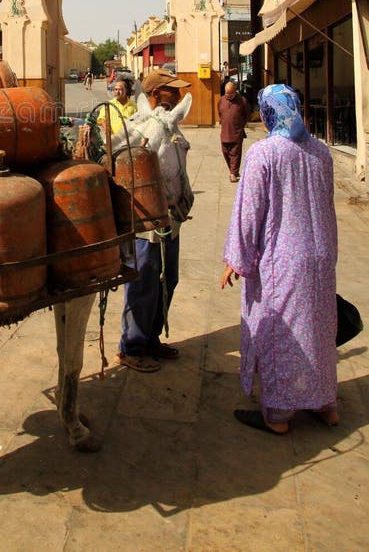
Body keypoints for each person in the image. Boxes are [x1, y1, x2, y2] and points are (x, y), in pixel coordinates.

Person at [221, 84, 339, 435]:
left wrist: (236, 259)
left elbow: (249, 213)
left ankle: (278, 414)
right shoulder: (321, 152)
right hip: (320, 257)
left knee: (281, 333)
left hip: (282, 261)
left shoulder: (264, 154)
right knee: (317, 332)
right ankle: (324, 404)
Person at [116, 70, 192, 373]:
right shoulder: (146, 127)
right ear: (157, 94)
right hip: (146, 224)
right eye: (171, 90)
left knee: (168, 279)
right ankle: (131, 347)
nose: (176, 95)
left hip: (171, 220)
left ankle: (151, 337)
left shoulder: (169, 124)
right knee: (143, 283)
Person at [217, 81, 249, 182]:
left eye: (231, 94)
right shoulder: (221, 100)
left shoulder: (242, 101)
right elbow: (220, 114)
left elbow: (246, 115)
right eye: (227, 94)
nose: (229, 96)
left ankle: (233, 173)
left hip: (236, 133)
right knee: (225, 152)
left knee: (235, 154)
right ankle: (233, 170)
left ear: (235, 92)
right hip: (225, 132)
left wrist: (240, 125)